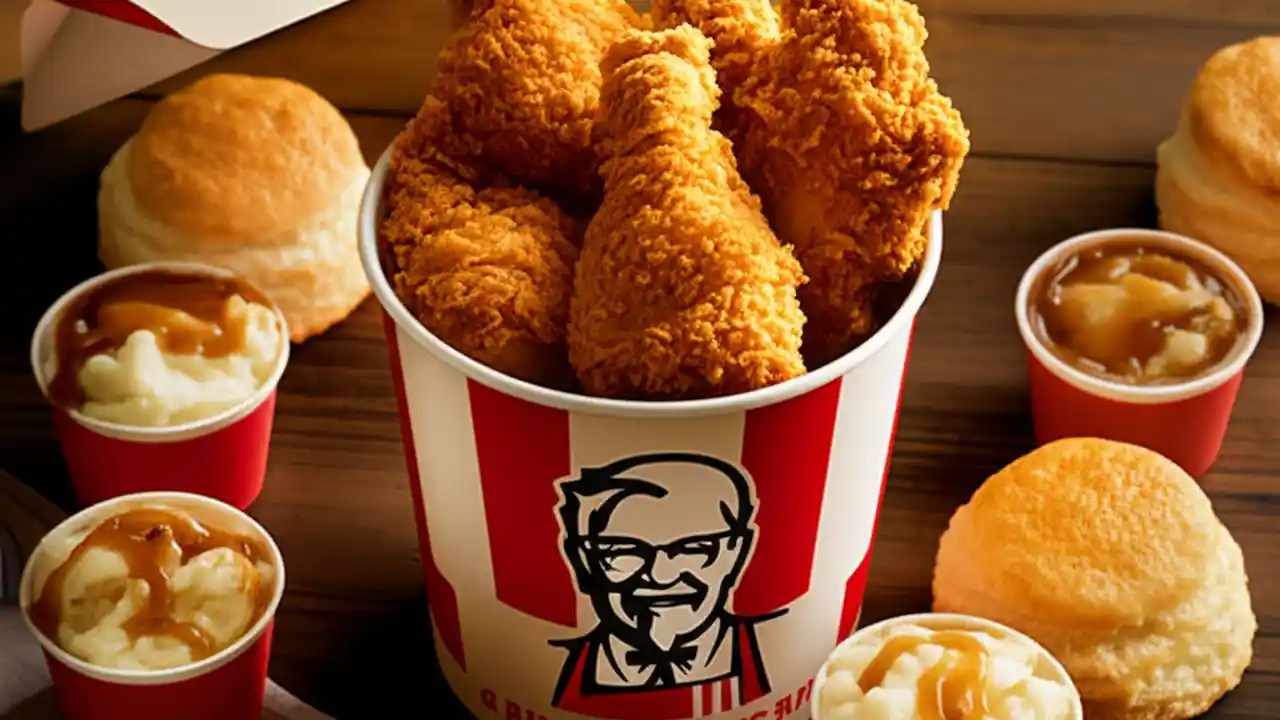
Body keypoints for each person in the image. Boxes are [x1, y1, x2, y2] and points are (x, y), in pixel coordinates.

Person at [551, 453, 782, 719]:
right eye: (623, 551)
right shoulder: (527, 664)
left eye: (694, 549)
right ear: (582, 561)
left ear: (738, 552)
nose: (661, 576)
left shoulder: (782, 645)